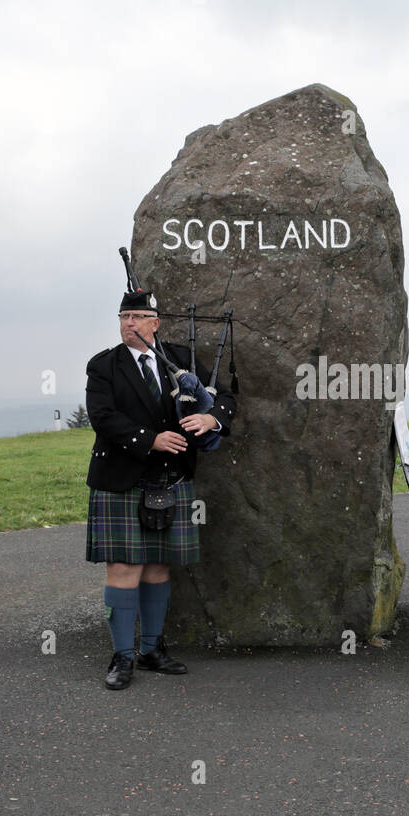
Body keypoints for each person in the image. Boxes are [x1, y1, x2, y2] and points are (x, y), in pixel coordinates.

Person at [85, 284, 236, 690]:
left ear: (155, 323)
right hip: (121, 479)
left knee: (157, 565)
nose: (128, 324)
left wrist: (210, 420)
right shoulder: (104, 366)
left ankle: (152, 649)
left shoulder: (180, 360)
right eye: (123, 317)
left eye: (136, 317)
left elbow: (223, 399)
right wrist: (148, 439)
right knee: (123, 565)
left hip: (172, 479)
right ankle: (122, 656)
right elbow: (102, 417)